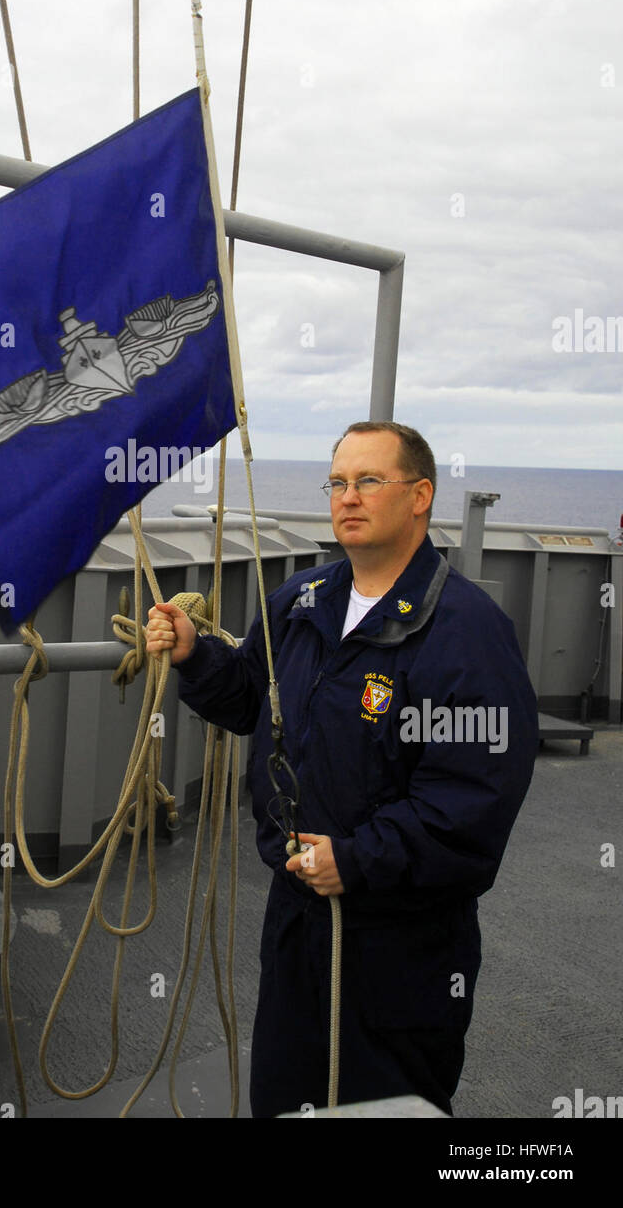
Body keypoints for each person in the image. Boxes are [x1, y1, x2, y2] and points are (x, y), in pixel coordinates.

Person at [145, 420, 538, 1117]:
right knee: (286, 1096)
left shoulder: (466, 633)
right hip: (297, 924)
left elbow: (471, 808)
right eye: (337, 483)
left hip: (400, 949)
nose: (346, 497)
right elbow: (249, 698)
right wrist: (191, 655)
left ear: (420, 496)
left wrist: (355, 861)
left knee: (380, 1106)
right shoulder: (304, 602)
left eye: (367, 481)